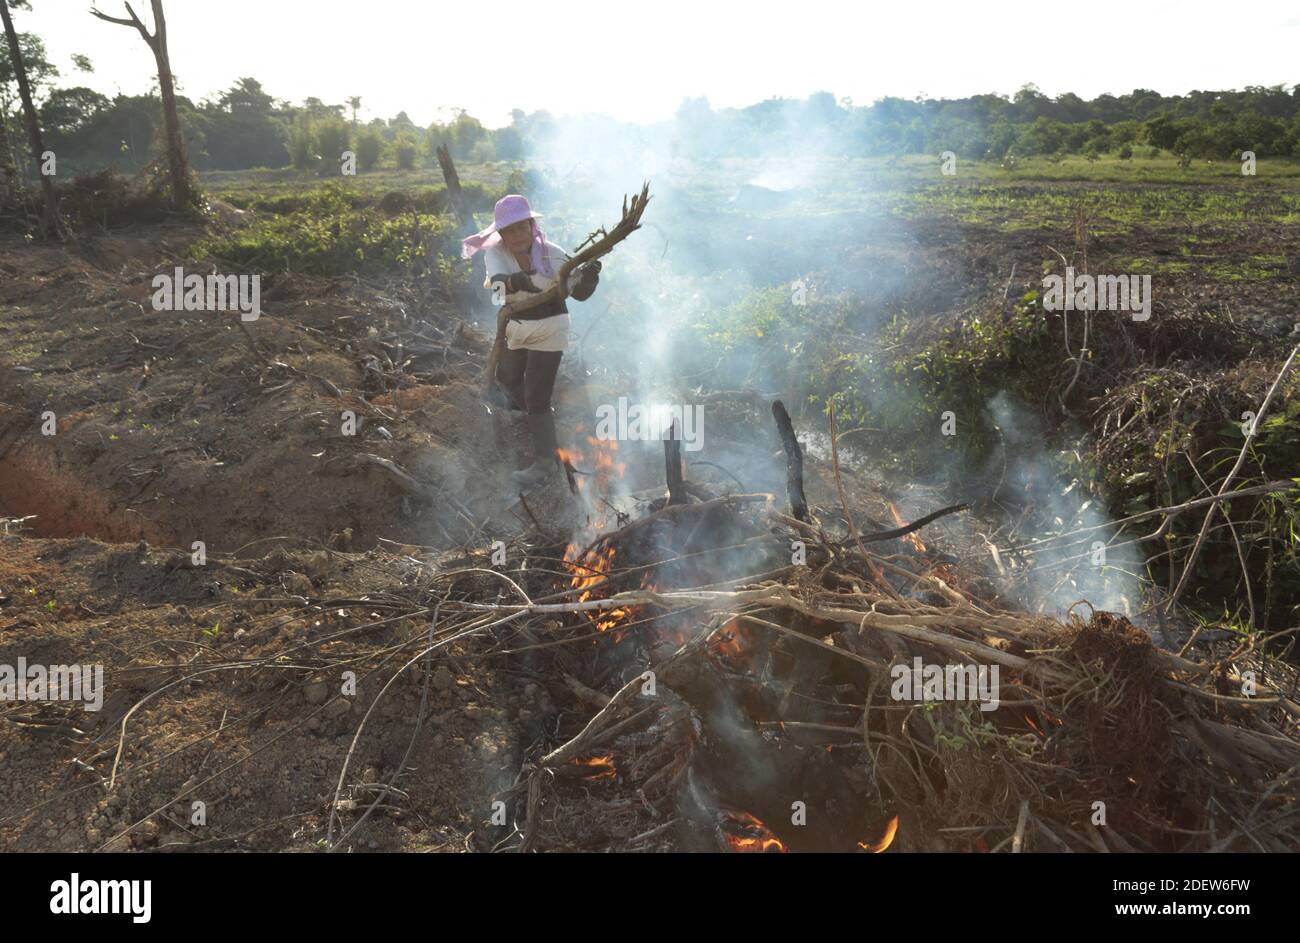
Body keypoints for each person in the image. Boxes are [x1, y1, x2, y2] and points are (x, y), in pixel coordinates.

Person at [461, 194, 600, 488]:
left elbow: (580, 294)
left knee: (536, 395)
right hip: (517, 326)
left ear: (531, 226)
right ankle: (539, 420)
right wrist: (514, 282)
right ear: (501, 234)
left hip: (551, 326)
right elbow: (498, 295)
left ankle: (546, 462)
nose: (517, 235)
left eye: (522, 228)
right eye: (509, 230)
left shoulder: (552, 254)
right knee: (508, 378)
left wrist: (589, 278)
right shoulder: (496, 255)